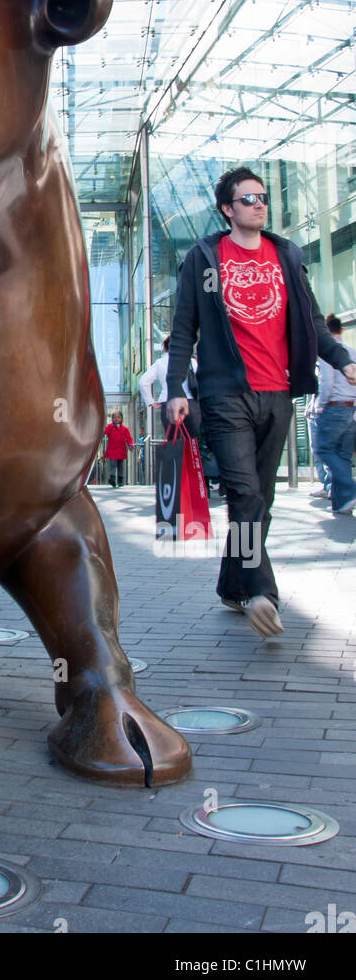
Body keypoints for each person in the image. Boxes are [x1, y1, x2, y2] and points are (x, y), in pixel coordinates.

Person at [165, 167, 356, 638]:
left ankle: (234, 583)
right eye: (247, 198)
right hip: (225, 394)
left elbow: (311, 321)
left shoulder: (286, 255)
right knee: (246, 496)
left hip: (278, 393)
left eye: (262, 197)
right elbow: (184, 329)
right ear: (227, 209)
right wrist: (174, 390)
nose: (259, 204)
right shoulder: (205, 258)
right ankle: (260, 592)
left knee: (261, 501)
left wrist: (344, 361)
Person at [312, 314, 356, 516]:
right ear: (342, 330)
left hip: (334, 406)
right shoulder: (353, 352)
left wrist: (319, 407)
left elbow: (327, 383)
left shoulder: (328, 353)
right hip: (351, 408)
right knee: (343, 456)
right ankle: (342, 503)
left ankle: (350, 489)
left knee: (323, 450)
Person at [138, 335, 201, 437]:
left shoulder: (160, 363)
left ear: (165, 347)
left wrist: (151, 402)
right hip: (191, 403)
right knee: (194, 441)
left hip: (169, 402)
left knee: (173, 441)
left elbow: (143, 381)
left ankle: (175, 453)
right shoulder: (191, 361)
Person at [304, 393, 331, 499]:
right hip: (312, 413)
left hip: (325, 412)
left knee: (327, 451)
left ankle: (331, 486)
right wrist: (308, 408)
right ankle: (325, 485)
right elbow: (310, 392)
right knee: (316, 450)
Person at [103, 410, 133, 488]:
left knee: (121, 466)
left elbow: (129, 438)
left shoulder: (125, 429)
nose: (116, 419)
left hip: (121, 450)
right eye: (114, 417)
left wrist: (130, 444)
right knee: (112, 465)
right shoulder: (110, 427)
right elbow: (104, 432)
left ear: (122, 419)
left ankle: (120, 480)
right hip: (112, 450)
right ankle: (112, 479)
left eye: (118, 417)